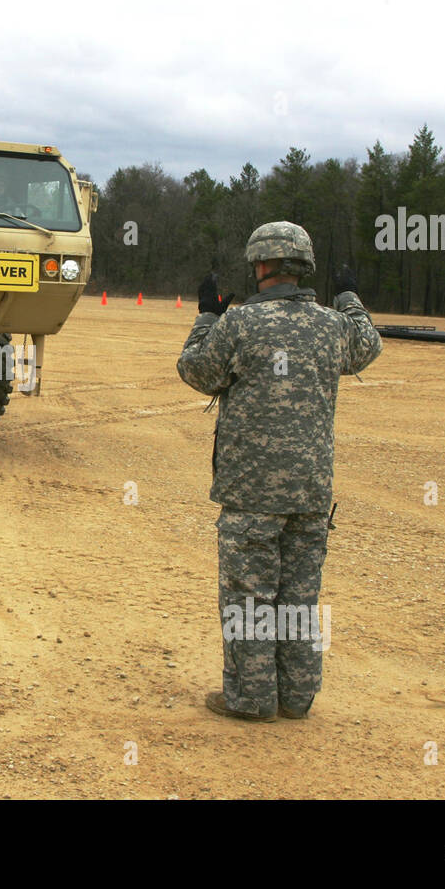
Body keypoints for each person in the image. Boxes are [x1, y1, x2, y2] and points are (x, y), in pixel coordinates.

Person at [176, 221, 382, 722]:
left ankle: (250, 699)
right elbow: (368, 344)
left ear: (261, 265)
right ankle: (296, 697)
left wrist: (206, 317)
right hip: (310, 491)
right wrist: (350, 296)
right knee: (299, 598)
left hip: (251, 493)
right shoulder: (331, 325)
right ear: (304, 266)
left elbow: (195, 371)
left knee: (250, 597)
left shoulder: (241, 323)